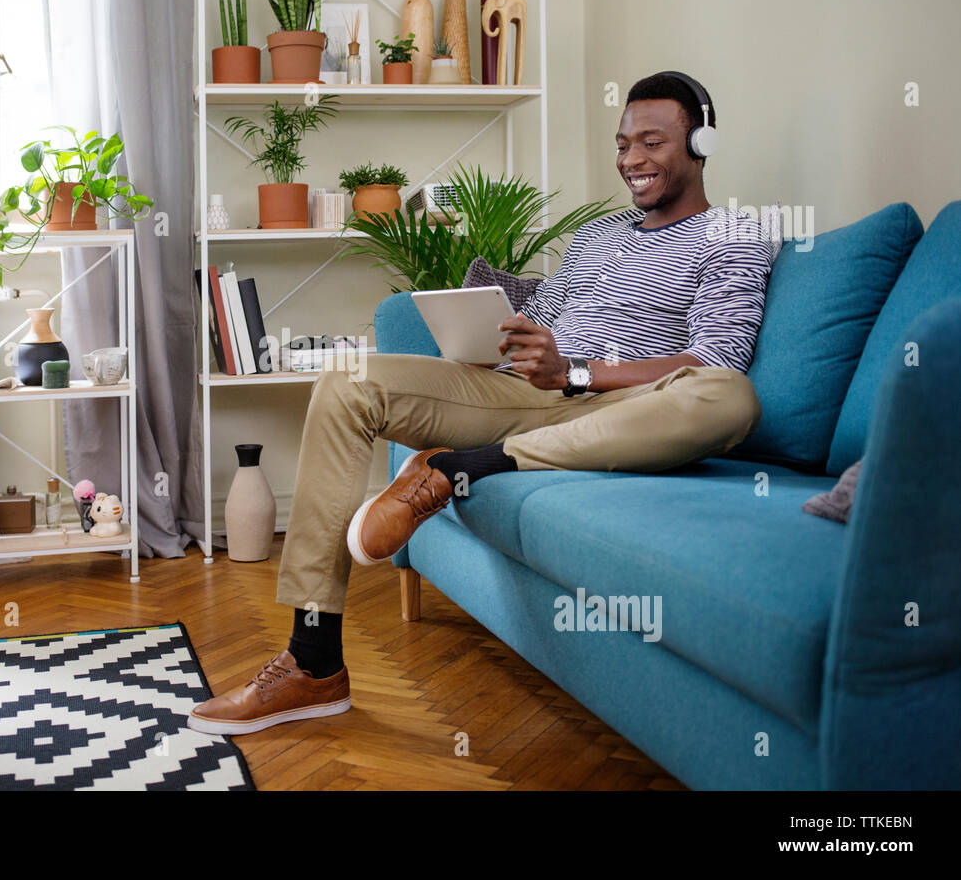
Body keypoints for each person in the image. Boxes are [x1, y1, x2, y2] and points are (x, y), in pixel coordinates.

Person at [187, 72, 774, 736]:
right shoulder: (597, 237)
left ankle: (464, 465)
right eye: (622, 143)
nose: (631, 160)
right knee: (347, 381)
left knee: (731, 398)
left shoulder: (732, 233)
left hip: (619, 412)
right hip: (524, 392)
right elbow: (543, 320)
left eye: (651, 142)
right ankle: (312, 664)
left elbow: (715, 359)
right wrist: (498, 335)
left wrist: (576, 371)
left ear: (701, 143)